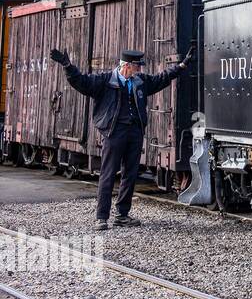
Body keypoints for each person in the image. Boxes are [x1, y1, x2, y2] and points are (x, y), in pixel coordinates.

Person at [48, 46, 191, 231]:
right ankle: (101, 217)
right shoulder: (105, 81)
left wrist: (181, 66)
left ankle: (122, 215)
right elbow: (81, 82)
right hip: (114, 133)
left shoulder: (139, 81)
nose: (140, 70)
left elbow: (161, 79)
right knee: (108, 174)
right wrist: (68, 66)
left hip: (135, 133)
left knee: (130, 175)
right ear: (127, 66)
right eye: (137, 66)